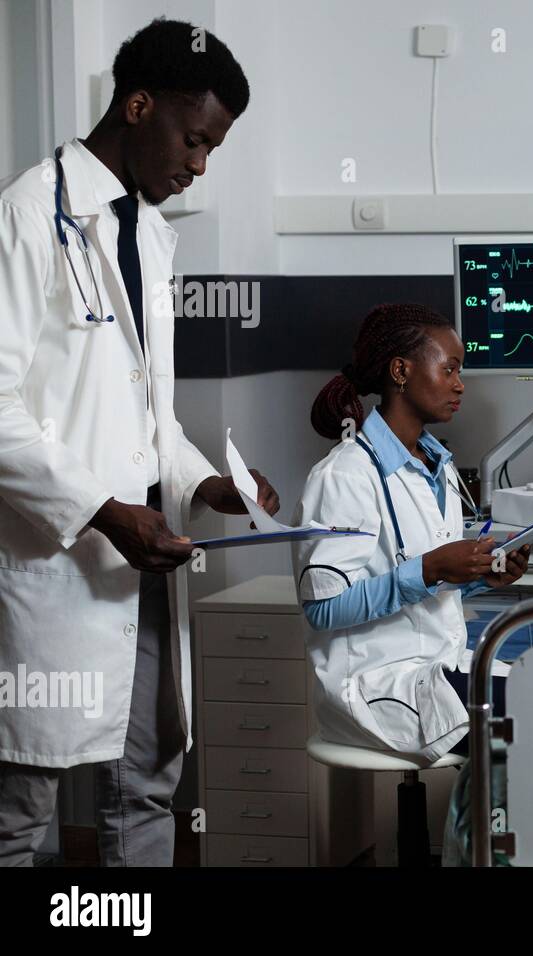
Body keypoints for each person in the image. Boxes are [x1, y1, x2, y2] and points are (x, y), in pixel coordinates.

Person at [0, 19, 280, 866]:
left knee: (149, 785)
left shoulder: (149, 234)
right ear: (137, 105)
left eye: (213, 149)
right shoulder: (26, 214)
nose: (198, 165)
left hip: (147, 563)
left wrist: (206, 485)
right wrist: (103, 512)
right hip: (59, 564)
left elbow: (149, 415)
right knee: (22, 807)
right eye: (194, 140)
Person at [294, 303, 530, 761]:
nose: (460, 385)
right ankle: (487, 833)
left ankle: (487, 833)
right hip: (376, 684)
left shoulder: (433, 465)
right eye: (450, 369)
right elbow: (322, 609)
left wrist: (483, 575)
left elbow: (427, 587)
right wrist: (430, 568)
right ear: (400, 371)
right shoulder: (345, 474)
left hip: (440, 669)